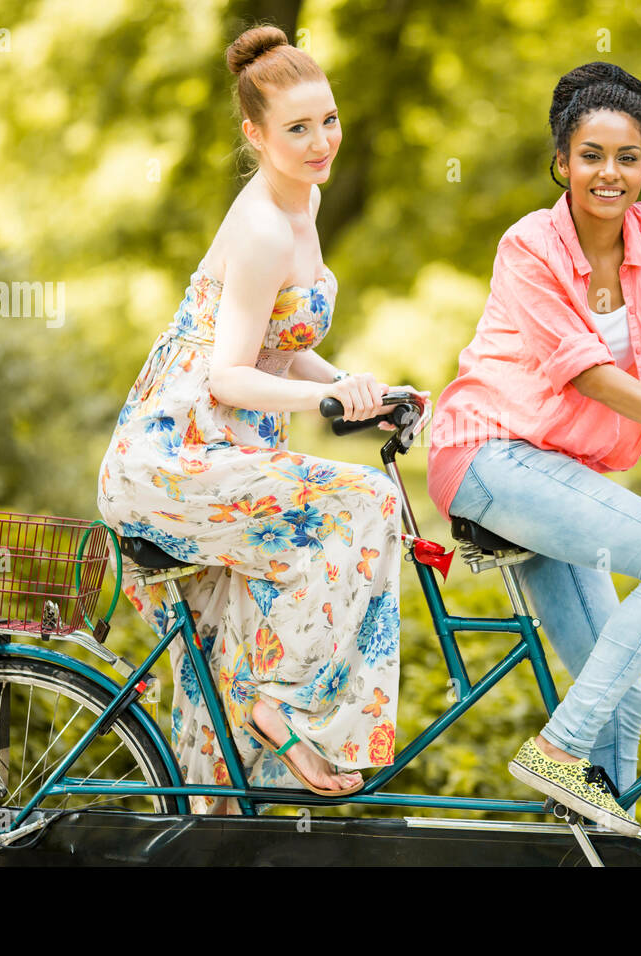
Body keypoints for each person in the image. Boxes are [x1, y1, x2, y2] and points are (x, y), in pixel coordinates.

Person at [426, 62, 641, 835]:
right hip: (488, 455)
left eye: (627, 157)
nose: (608, 173)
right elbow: (586, 373)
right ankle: (556, 750)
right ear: (561, 163)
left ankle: (593, 846)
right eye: (590, 155)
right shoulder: (530, 245)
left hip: (557, 469)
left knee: (625, 698)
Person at [97, 25, 423, 812]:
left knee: (215, 655)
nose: (321, 143)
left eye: (330, 120)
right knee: (366, 504)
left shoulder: (305, 201)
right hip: (176, 458)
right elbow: (227, 375)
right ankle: (284, 702)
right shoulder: (262, 230)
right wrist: (323, 401)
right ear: (255, 133)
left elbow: (276, 348)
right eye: (298, 129)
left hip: (228, 449)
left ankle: (210, 832)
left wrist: (356, 388)